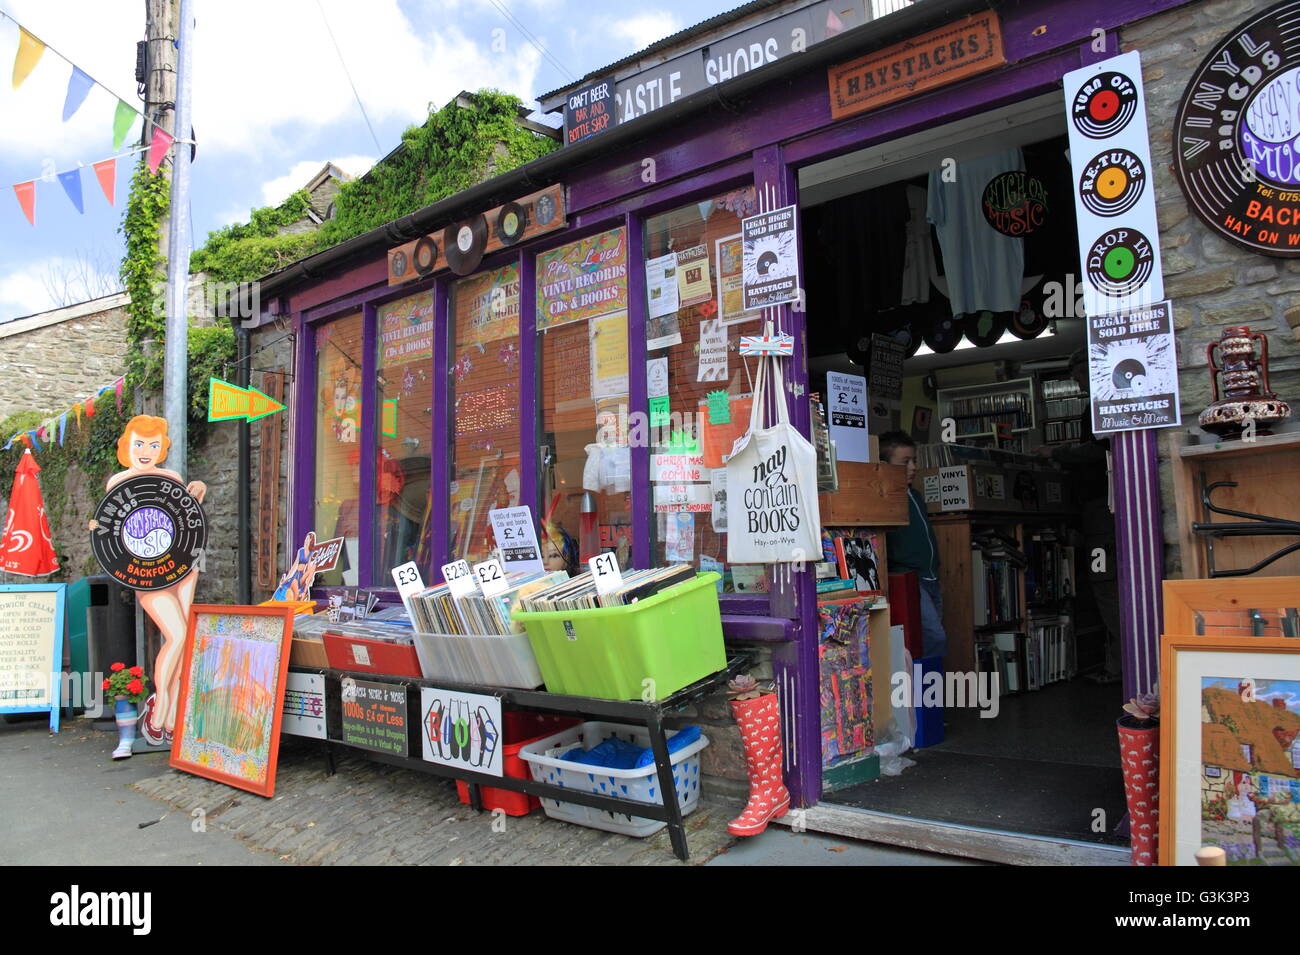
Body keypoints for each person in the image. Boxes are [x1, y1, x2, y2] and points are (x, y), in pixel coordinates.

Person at [89, 415, 207, 743]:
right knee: (178, 634)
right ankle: (162, 704)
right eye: (139, 443)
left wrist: (198, 490)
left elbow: (185, 514)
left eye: (154, 445)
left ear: (162, 449)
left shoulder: (171, 476)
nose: (146, 450)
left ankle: (170, 720)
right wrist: (97, 529)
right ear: (127, 447)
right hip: (148, 573)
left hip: (184, 565)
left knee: (184, 639)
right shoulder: (119, 482)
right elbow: (112, 524)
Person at [1035, 350, 1119, 683]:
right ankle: (1122, 664)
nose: (1076, 380)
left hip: (1102, 508)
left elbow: (1100, 449)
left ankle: (1121, 668)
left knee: (1106, 585)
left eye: (1078, 372)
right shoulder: (1102, 404)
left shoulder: (1099, 405)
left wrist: (1056, 452)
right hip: (1101, 507)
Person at [880, 431, 946, 660]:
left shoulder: (915, 495)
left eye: (914, 461)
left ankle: (929, 688)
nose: (912, 467)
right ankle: (925, 687)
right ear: (885, 465)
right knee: (933, 636)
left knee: (930, 633)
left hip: (931, 578)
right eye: (904, 462)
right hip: (910, 578)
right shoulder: (887, 498)